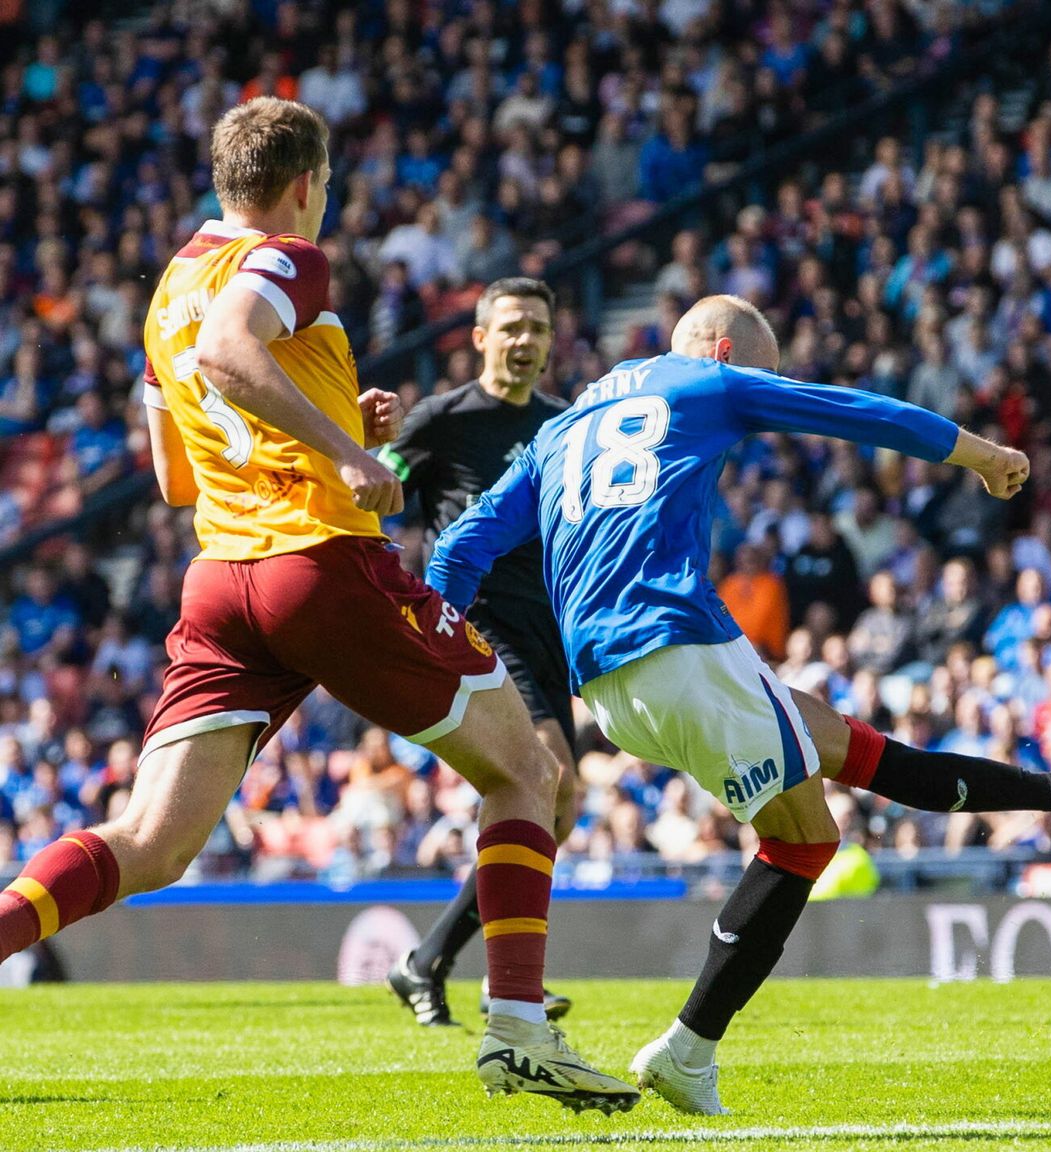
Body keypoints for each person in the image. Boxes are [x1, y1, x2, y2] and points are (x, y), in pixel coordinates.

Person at [0, 100, 638, 1113]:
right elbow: (229, 352)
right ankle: (518, 1029)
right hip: (318, 566)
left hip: (223, 584)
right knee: (529, 770)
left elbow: (176, 473)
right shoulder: (291, 258)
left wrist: (343, 417)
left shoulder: (168, 285)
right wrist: (347, 454)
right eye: (326, 186)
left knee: (151, 842)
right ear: (305, 184)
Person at [427, 294, 1051, 1115]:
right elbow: (854, 413)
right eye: (761, 377)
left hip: (601, 683)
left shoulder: (558, 433)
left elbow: (459, 548)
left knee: (851, 750)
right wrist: (980, 455)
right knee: (807, 839)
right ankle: (689, 1049)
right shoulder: (710, 384)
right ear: (729, 351)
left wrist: (446, 658)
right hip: (679, 644)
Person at [377, 277, 577, 1027]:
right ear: (482, 337)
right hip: (479, 624)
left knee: (556, 806)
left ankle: (429, 960)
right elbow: (379, 488)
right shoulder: (441, 420)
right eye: (513, 326)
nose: (526, 341)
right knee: (545, 782)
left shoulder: (563, 425)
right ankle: (509, 982)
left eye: (539, 328)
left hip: (547, 631)